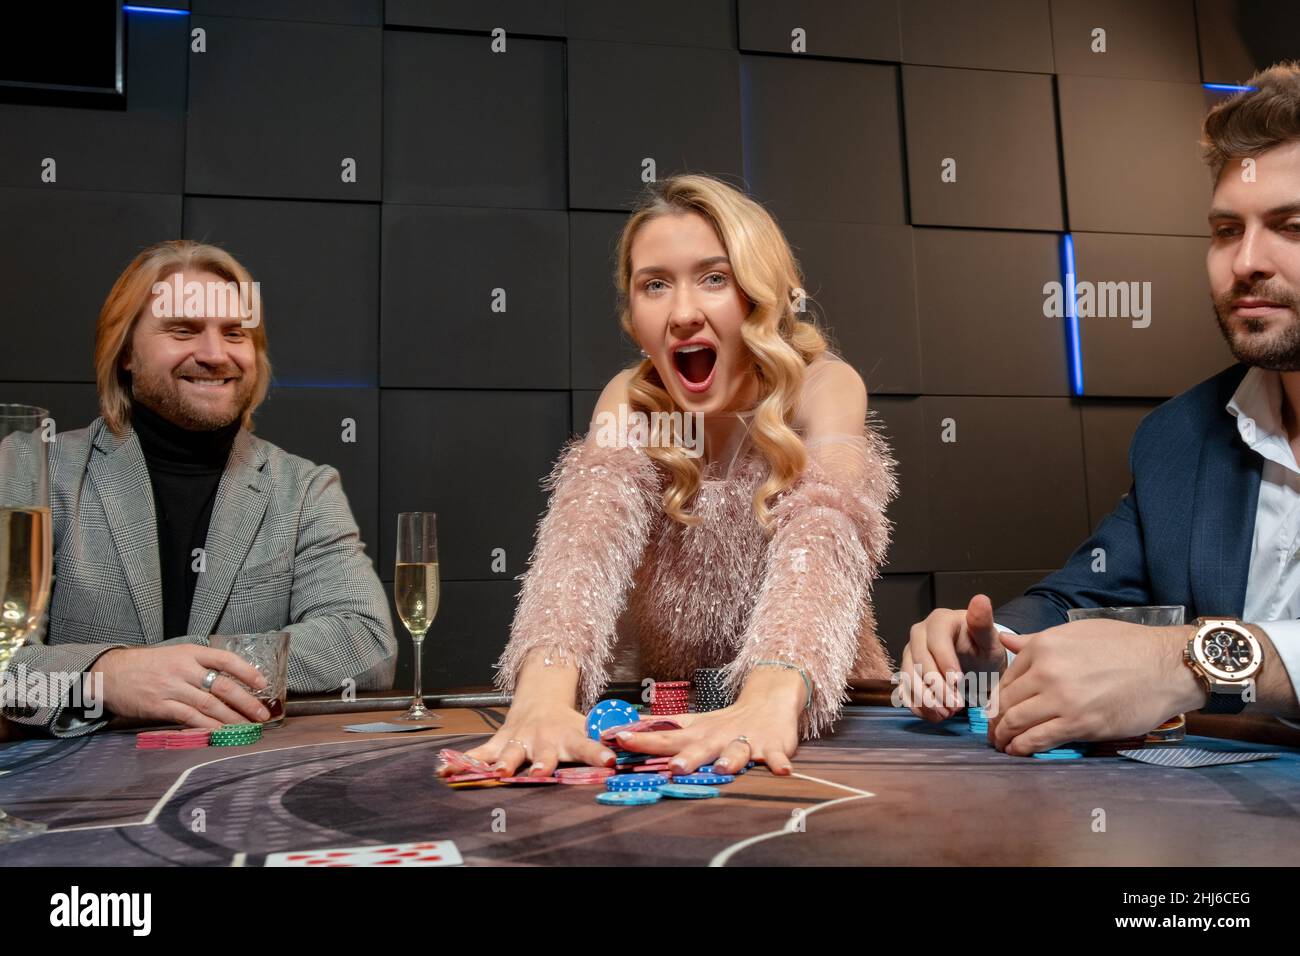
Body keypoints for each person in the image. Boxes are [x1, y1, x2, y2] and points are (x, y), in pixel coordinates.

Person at [904, 61, 1300, 754]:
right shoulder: (1179, 437)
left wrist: (1190, 662)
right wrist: (989, 651)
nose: (1246, 262)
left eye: (1290, 226)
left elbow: (1165, 658)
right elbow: (1083, 599)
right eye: (1226, 230)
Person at [458, 174, 898, 779]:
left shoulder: (824, 388)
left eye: (714, 278)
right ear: (633, 313)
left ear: (758, 296)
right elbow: (581, 547)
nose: (683, 313)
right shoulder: (630, 400)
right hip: (673, 731)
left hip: (821, 731)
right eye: (655, 285)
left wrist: (768, 699)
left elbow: (822, 542)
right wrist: (542, 701)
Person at [2, 240, 396, 737]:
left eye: (235, 333)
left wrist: (171, 669)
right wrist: (106, 678)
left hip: (239, 789)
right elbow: (2, 674)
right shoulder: (30, 467)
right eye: (183, 330)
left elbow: (366, 645)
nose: (214, 354)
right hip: (68, 805)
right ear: (124, 351)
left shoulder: (306, 488)